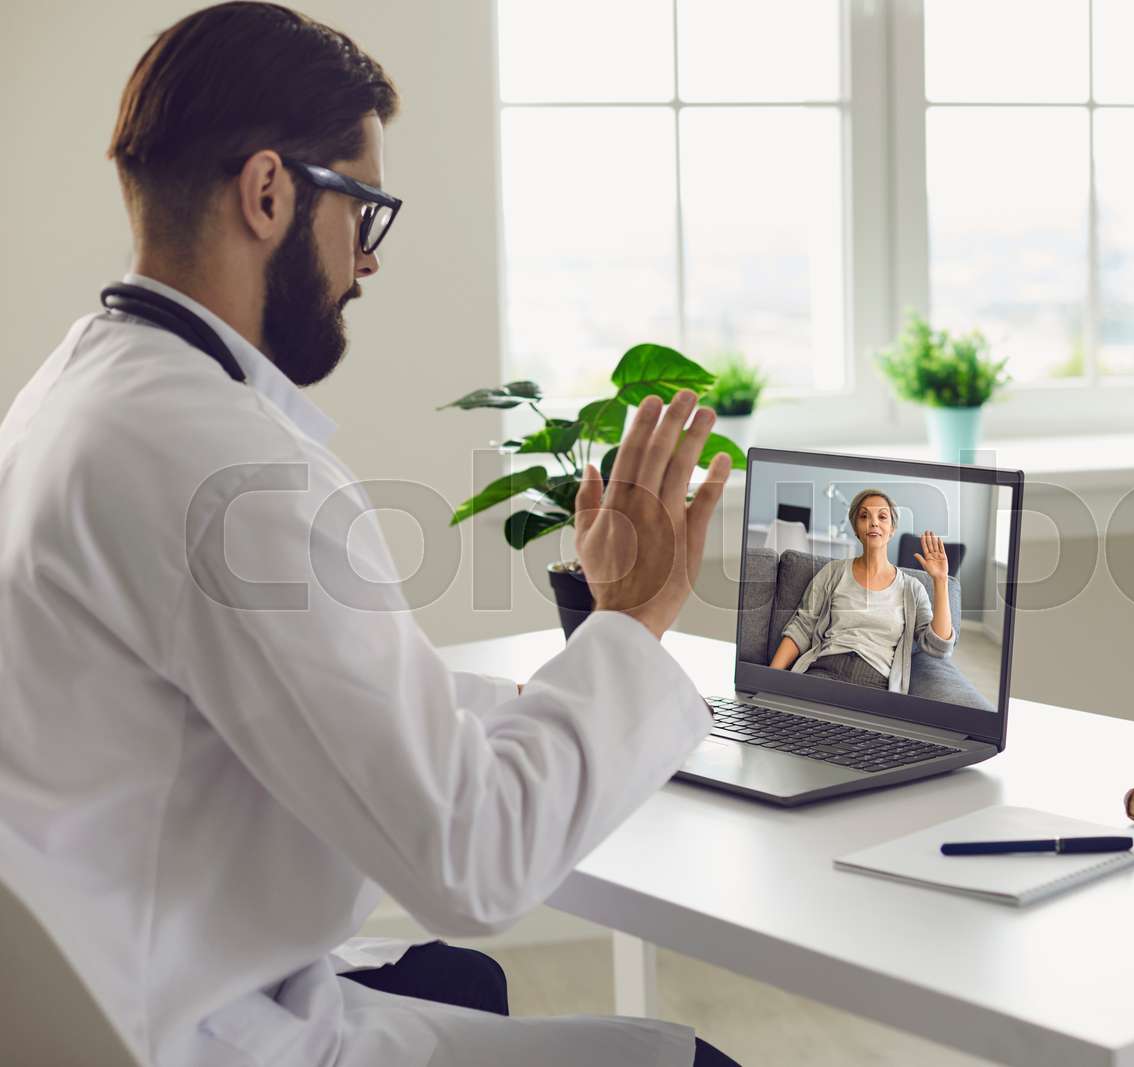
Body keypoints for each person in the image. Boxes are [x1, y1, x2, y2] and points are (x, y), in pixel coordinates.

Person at [0, 4, 741, 1066]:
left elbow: (264, 691)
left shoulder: (75, 392)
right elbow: (475, 864)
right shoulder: (232, 471)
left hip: (112, 979)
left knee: (456, 981)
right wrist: (631, 616)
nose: (368, 261)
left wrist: (510, 709)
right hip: (184, 1027)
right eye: (365, 212)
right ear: (269, 193)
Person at [768, 488, 956, 692]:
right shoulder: (833, 572)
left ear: (892, 528)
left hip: (874, 682)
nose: (873, 522)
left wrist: (940, 581)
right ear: (856, 529)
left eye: (882, 517)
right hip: (823, 670)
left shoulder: (912, 589)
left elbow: (938, 647)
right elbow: (802, 629)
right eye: (864, 516)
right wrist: (769, 678)